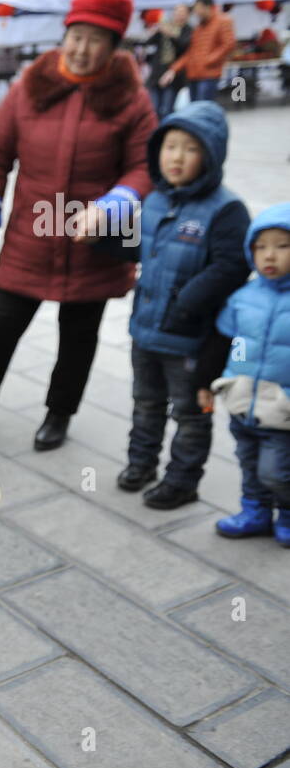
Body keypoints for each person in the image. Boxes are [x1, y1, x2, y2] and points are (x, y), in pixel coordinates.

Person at [0, 0, 157, 451]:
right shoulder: (30, 85)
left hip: (94, 243)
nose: (83, 48)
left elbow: (144, 164)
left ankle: (59, 413)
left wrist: (114, 204)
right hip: (32, 235)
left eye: (97, 39)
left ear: (114, 48)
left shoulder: (131, 99)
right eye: (77, 36)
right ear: (64, 35)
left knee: (79, 336)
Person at [75, 101, 250, 510]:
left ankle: (183, 480)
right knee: (145, 401)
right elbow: (141, 246)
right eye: (170, 146)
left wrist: (187, 302)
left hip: (191, 340)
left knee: (190, 413)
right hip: (146, 331)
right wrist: (100, 239)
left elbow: (233, 265)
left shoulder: (226, 210)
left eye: (190, 148)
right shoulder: (154, 200)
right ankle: (141, 463)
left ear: (210, 155)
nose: (177, 157)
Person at [209, 205, 290, 545]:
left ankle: (286, 511)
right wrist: (230, 380)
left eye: (283, 246)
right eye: (261, 247)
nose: (270, 255)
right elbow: (235, 343)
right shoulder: (242, 298)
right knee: (248, 462)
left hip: (281, 411)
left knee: (276, 470)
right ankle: (254, 512)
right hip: (243, 403)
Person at [161, 0, 235, 104]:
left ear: (207, 7)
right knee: (195, 109)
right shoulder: (198, 27)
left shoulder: (223, 21)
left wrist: (208, 60)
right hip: (193, 75)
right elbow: (190, 53)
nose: (196, 13)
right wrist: (173, 69)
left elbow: (228, 44)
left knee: (203, 108)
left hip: (209, 74)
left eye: (198, 9)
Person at [142, 4, 192, 118]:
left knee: (166, 110)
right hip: (157, 72)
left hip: (173, 74)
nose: (179, 15)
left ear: (188, 15)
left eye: (182, 12)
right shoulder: (166, 26)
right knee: (153, 109)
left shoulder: (188, 30)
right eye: (177, 12)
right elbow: (149, 43)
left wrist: (170, 34)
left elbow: (183, 47)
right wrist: (154, 32)